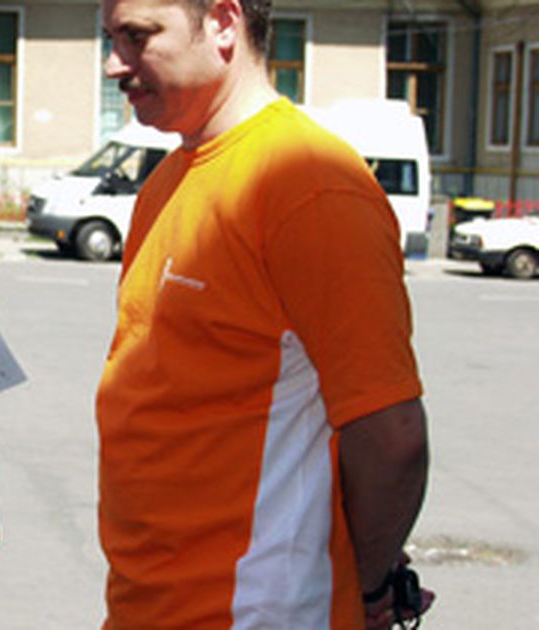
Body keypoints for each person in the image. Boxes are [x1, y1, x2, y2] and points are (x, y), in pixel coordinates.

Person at [95, 1, 434, 628]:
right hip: (149, 605)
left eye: (138, 37)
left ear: (223, 21)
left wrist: (362, 587)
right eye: (111, 38)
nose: (116, 64)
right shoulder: (168, 181)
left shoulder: (311, 184)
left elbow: (391, 437)